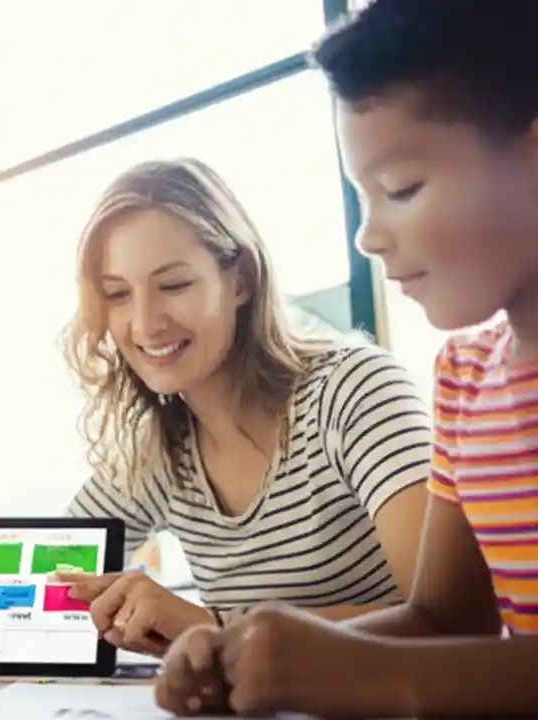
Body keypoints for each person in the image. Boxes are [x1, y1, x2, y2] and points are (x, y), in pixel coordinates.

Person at [156, 2, 538, 717]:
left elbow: (413, 665)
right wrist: (245, 651)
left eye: (401, 190)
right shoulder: (464, 380)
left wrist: (386, 678)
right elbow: (443, 620)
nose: (368, 236)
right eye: (363, 197)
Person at [60, 158, 431, 656]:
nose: (145, 324)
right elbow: (53, 575)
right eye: (117, 294)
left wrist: (217, 629)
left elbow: (445, 618)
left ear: (240, 281)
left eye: (174, 285)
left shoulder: (354, 389)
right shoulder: (160, 450)